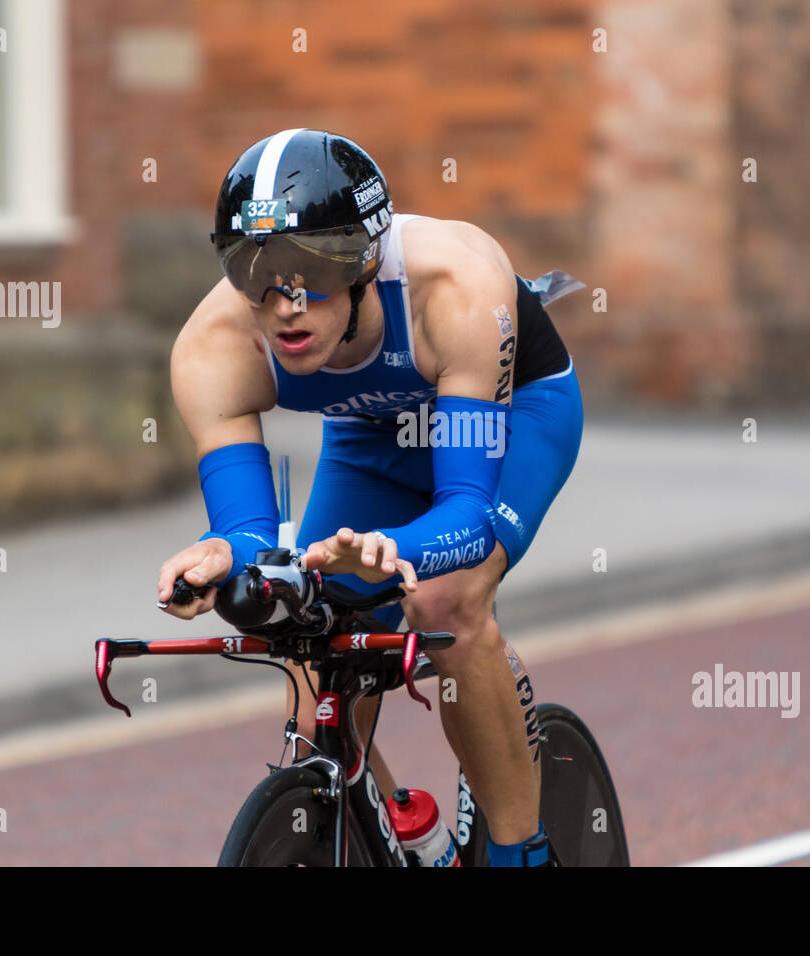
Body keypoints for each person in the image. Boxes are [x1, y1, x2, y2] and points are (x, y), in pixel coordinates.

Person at [155, 129, 584, 867]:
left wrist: (399, 550)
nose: (285, 304)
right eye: (256, 271)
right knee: (307, 638)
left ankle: (523, 855)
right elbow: (254, 535)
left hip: (516, 419)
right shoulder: (211, 348)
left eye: (311, 271)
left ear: (364, 264)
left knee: (444, 604)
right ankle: (412, 839)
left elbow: (467, 516)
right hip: (369, 438)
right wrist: (229, 554)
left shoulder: (453, 288)